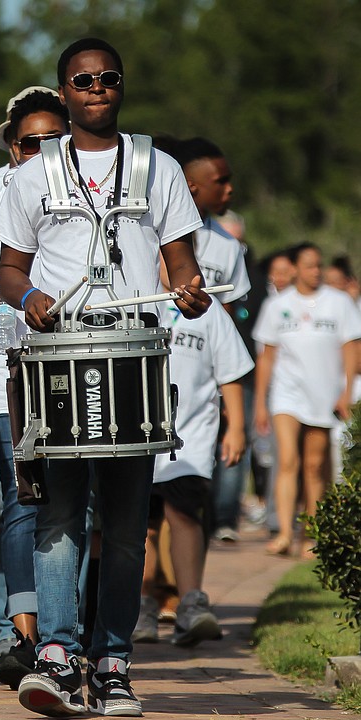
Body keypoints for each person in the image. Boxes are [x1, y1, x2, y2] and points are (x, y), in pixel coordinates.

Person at [0, 38, 210, 717]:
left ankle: (113, 662)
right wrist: (28, 297)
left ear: (122, 86)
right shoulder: (35, 172)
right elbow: (9, 268)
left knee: (122, 525)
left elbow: (180, 261)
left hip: (134, 353)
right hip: (60, 355)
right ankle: (58, 657)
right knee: (58, 515)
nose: (96, 89)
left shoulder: (157, 166)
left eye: (107, 78)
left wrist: (190, 291)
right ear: (63, 92)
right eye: (83, 81)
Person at [0, 86, 69, 689]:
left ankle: (65, 632)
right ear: (11, 147)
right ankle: (23, 634)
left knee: (73, 506)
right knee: (21, 506)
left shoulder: (90, 195)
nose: (42, 151)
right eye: (31, 143)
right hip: (8, 375)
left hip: (77, 372)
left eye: (54, 140)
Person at [134, 287, 252, 647]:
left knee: (184, 514)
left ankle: (190, 604)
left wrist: (236, 427)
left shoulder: (208, 307)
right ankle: (141, 606)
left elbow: (230, 369)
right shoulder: (135, 296)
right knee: (143, 524)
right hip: (138, 434)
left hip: (192, 434)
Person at [158, 137, 252, 544]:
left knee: (186, 501)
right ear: (192, 186)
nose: (229, 189)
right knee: (146, 511)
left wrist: (227, 393)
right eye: (221, 181)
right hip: (158, 369)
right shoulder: (151, 231)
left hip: (200, 378)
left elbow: (225, 317)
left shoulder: (227, 246)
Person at [254, 243, 361, 557]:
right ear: (296, 269)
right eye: (310, 265)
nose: (316, 271)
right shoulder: (277, 305)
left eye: (318, 265)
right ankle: (285, 533)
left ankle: (311, 534)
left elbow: (350, 348)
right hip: (286, 392)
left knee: (315, 465)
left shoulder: (339, 302)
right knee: (288, 460)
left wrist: (346, 391)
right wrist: (260, 402)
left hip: (324, 392)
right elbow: (267, 357)